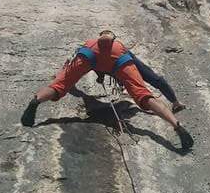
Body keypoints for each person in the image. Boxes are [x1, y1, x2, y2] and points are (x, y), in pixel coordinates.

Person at [20, 30, 194, 151]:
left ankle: (36, 101)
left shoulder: (88, 45)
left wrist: (64, 82)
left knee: (59, 86)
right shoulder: (121, 49)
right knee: (143, 95)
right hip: (118, 59)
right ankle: (176, 125)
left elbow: (66, 74)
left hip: (89, 55)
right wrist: (175, 101)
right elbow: (154, 78)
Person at [96, 53, 185, 114]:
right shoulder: (97, 53)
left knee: (145, 84)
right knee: (154, 79)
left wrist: (100, 77)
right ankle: (175, 102)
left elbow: (98, 68)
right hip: (125, 59)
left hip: (122, 63)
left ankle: (172, 104)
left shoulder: (92, 56)